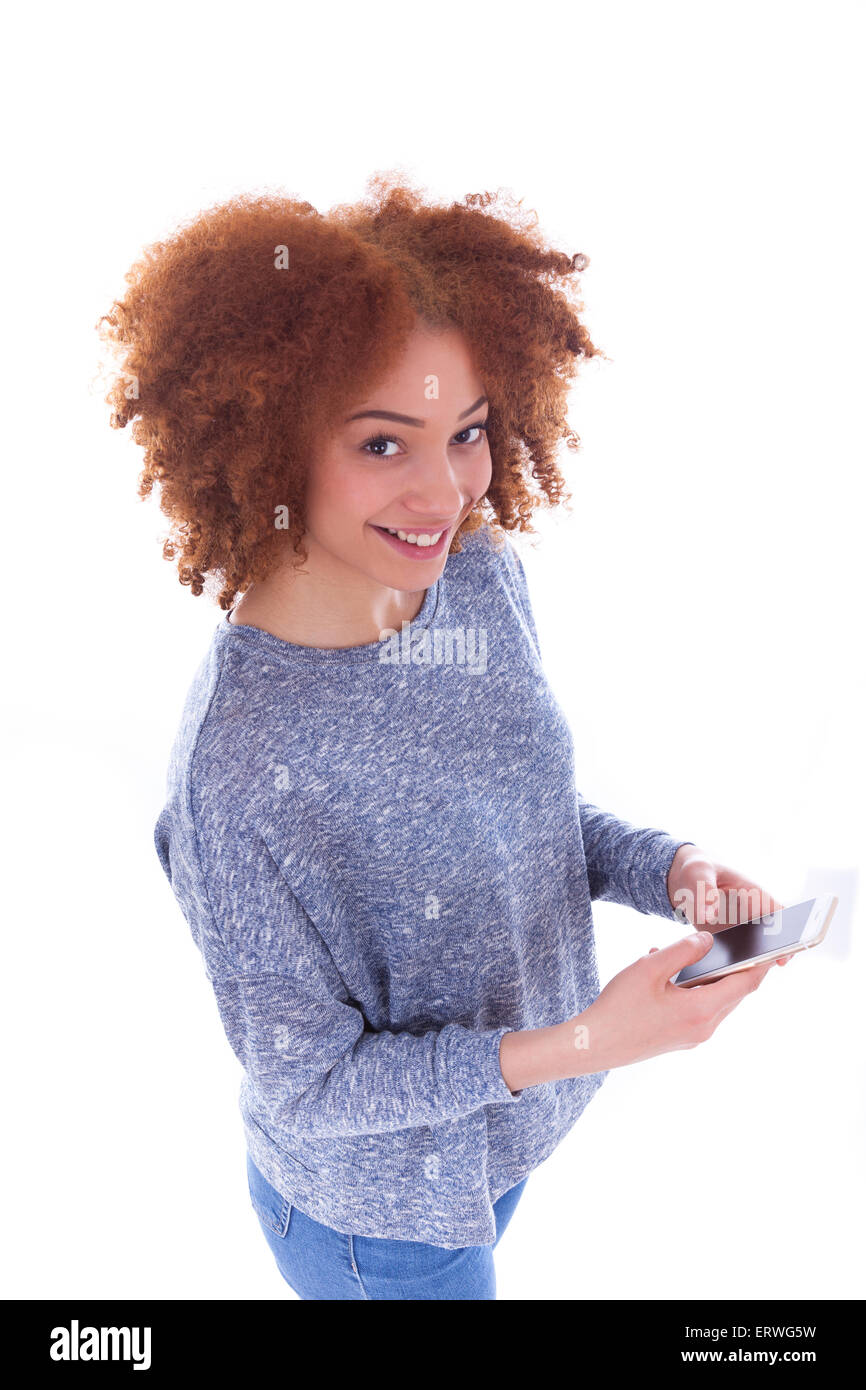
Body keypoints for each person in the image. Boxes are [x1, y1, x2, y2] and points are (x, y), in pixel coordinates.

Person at [98, 173, 790, 1300]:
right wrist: (586, 1042)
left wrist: (665, 870)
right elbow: (311, 1088)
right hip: (381, 1223)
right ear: (269, 443)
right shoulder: (241, 770)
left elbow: (514, 803)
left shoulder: (473, 576)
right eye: (383, 445)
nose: (444, 492)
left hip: (499, 1142)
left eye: (464, 433)